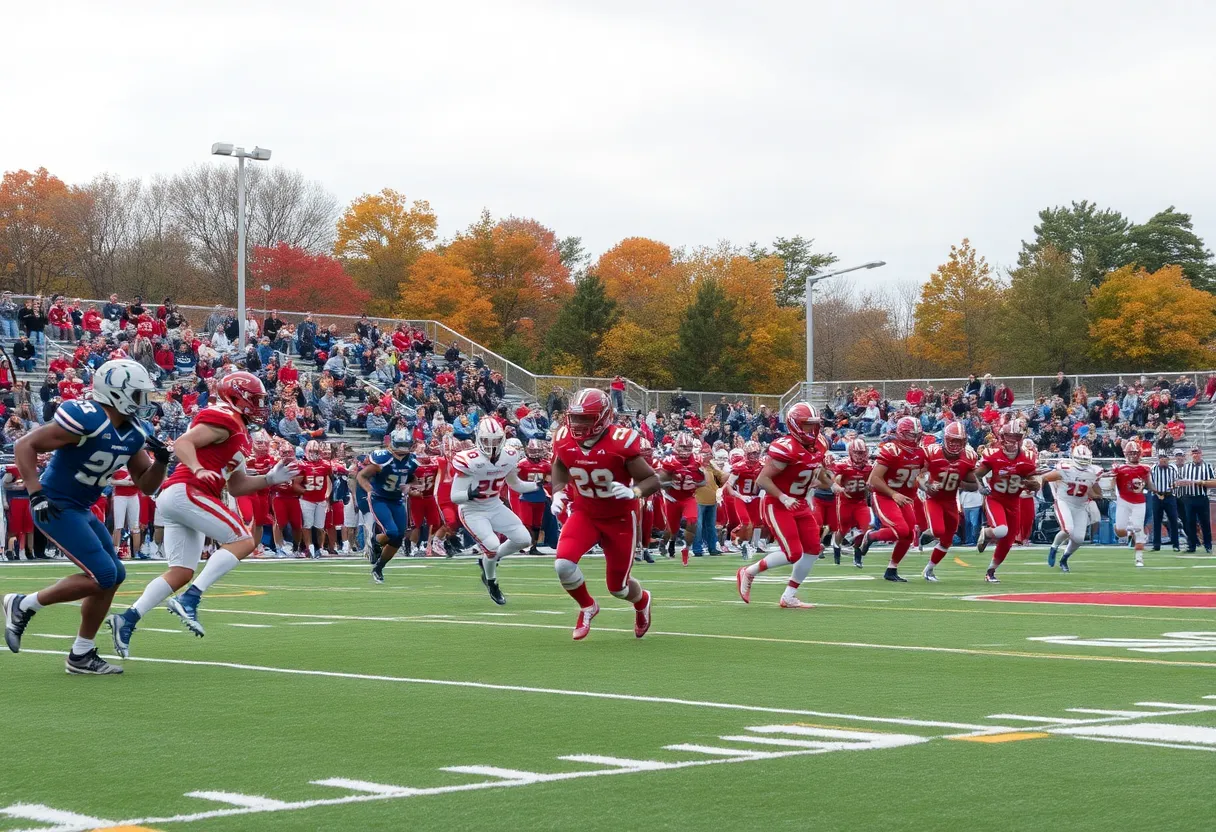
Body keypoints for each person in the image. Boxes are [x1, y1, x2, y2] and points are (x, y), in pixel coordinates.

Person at [107, 371, 297, 657]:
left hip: (180, 497)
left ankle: (128, 619)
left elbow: (236, 486)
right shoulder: (225, 418)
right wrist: (197, 468)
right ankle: (192, 599)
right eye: (255, 400)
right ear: (237, 397)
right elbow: (183, 443)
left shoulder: (240, 432)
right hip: (188, 489)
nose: (260, 406)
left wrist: (269, 479)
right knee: (244, 540)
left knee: (181, 571)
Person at [3, 360, 168, 675]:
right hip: (55, 504)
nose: (143, 400)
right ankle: (22, 604)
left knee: (114, 576)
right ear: (116, 392)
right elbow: (26, 444)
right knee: (104, 575)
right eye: (136, 393)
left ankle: (81, 654)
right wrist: (36, 494)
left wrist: (161, 462)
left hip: (82, 507)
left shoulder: (134, 432)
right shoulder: (86, 417)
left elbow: (146, 483)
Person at [550, 388, 659, 640]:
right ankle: (587, 606)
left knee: (618, 588)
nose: (577, 424)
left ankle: (642, 601)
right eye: (575, 417)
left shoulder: (620, 442)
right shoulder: (563, 437)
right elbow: (559, 463)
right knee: (563, 565)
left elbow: (651, 479)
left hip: (620, 518)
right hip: (585, 512)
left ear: (603, 417)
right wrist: (557, 491)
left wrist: (634, 492)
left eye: (585, 418)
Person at [735, 402, 831, 609]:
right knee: (793, 553)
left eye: (814, 424)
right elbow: (762, 479)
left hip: (800, 503)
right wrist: (784, 497)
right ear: (795, 425)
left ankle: (789, 597)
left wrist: (824, 480)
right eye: (807, 425)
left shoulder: (821, 443)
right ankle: (748, 572)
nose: (812, 429)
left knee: (813, 550)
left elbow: (817, 468)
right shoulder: (786, 447)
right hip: (778, 504)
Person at [449, 419, 539, 605]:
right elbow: (455, 496)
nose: (492, 445)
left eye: (496, 440)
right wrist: (469, 493)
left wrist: (537, 486)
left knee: (524, 539)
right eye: (487, 441)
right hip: (472, 510)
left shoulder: (510, 456)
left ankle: (489, 560)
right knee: (491, 544)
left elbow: (516, 485)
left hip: (494, 505)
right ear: (479, 439)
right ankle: (492, 582)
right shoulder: (468, 460)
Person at [858, 416, 929, 582]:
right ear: (902, 434)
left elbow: (917, 476)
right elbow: (873, 479)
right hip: (885, 495)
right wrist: (893, 494)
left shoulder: (920, 453)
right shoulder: (892, 449)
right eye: (912, 435)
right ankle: (870, 537)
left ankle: (892, 569)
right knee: (901, 529)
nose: (916, 439)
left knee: (908, 534)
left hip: (903, 497)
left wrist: (927, 485)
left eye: (918, 435)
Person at [973, 421, 1040, 583]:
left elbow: (1036, 482)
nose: (1012, 440)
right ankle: (986, 532)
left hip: (1014, 501)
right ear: (1002, 437)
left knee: (1008, 541)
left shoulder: (1028, 457)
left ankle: (991, 571)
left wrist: (1031, 484)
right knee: (1001, 530)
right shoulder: (993, 455)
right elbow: (976, 474)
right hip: (995, 499)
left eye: (1016, 437)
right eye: (1009, 436)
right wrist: (981, 488)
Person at [919, 422, 979, 582]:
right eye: (951, 440)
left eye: (958, 441)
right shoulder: (932, 452)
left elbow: (974, 485)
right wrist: (927, 486)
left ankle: (929, 569)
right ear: (945, 439)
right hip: (934, 498)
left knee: (947, 540)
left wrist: (961, 483)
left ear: (964, 442)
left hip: (951, 500)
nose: (954, 444)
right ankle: (924, 534)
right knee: (938, 531)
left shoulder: (969, 457)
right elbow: (917, 474)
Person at [360, 429, 419, 584]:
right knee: (391, 532)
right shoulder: (384, 459)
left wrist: (409, 486)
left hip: (397, 500)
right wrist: (369, 490)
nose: (403, 448)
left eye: (406, 444)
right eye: (401, 444)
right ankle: (374, 541)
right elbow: (362, 476)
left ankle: (378, 568)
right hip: (380, 499)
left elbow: (413, 478)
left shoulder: (411, 461)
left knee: (398, 537)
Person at [1041, 444, 1101, 572]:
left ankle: (1064, 559)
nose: (1084, 463)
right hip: (1064, 502)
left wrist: (1096, 495)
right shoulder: (1065, 468)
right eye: (1082, 459)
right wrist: (1051, 495)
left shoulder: (1093, 472)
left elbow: (1096, 490)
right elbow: (1046, 478)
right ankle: (1054, 547)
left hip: (1081, 505)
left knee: (1079, 539)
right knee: (1067, 529)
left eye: (1086, 459)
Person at [657, 432, 705, 564]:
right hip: (672, 498)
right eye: (683, 447)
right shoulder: (669, 461)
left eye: (688, 447)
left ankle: (686, 548)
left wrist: (694, 482)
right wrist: (671, 482)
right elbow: (659, 482)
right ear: (677, 446)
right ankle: (665, 542)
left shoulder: (696, 460)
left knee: (692, 520)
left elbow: (703, 481)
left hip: (688, 497)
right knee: (672, 529)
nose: (685, 450)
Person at [1109, 440, 1151, 567]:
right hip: (1123, 500)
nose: (1133, 455)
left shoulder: (1145, 468)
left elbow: (1149, 484)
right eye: (1131, 453)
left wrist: (1158, 490)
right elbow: (1111, 485)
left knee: (1139, 532)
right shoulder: (1120, 469)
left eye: (1135, 452)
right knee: (1120, 531)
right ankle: (1129, 530)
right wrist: (1112, 476)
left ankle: (1139, 559)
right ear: (1126, 453)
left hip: (1139, 501)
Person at [832, 437, 873, 567]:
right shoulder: (843, 465)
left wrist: (869, 490)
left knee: (866, 528)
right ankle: (836, 546)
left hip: (860, 502)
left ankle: (857, 555)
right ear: (851, 452)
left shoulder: (869, 467)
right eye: (857, 453)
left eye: (862, 453)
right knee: (843, 529)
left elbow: (871, 483)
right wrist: (838, 486)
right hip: (845, 501)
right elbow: (834, 480)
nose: (860, 456)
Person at [295, 439, 334, 558]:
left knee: (320, 526)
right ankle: (309, 547)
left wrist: (327, 495)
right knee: (307, 525)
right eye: (311, 451)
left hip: (321, 499)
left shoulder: (326, 465)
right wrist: (305, 492)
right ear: (306, 451)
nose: (313, 453)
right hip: (307, 500)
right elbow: (296, 484)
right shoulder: (302, 464)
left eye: (316, 451)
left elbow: (329, 481)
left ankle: (320, 547)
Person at [726, 441, 764, 558]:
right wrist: (740, 496)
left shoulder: (762, 465)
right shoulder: (739, 466)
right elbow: (729, 485)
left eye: (757, 453)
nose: (755, 456)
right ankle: (735, 539)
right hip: (742, 497)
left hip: (755, 497)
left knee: (758, 523)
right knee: (746, 523)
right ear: (747, 453)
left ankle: (755, 544)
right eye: (753, 453)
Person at [516, 439, 552, 555]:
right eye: (533, 450)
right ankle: (526, 545)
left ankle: (533, 547)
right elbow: (515, 479)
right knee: (526, 523)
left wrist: (546, 481)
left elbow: (551, 479)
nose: (536, 453)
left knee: (537, 524)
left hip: (539, 496)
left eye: (537, 450)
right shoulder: (522, 464)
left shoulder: (546, 464)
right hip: (526, 496)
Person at [1177, 446, 1215, 553]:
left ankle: (1208, 545)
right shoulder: (1185, 467)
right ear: (1190, 454)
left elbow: (1213, 482)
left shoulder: (1207, 466)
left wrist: (1200, 482)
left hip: (1202, 497)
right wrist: (1181, 483)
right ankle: (1191, 545)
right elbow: (1179, 481)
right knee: (1190, 522)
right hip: (1188, 498)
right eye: (1193, 453)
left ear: (1201, 453)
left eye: (1197, 453)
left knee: (1205, 522)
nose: (1195, 455)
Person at [406, 442, 441, 557]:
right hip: (416, 498)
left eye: (425, 450)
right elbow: (403, 482)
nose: (424, 453)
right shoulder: (411, 464)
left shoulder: (435, 463)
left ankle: (429, 545)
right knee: (416, 524)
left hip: (429, 496)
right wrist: (411, 491)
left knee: (435, 522)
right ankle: (412, 547)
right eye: (420, 450)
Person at [1147, 450, 1181, 552]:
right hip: (1157, 496)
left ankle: (1176, 544)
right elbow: (1150, 483)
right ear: (1158, 460)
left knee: (1173, 520)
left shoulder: (1173, 468)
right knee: (1157, 521)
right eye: (1161, 458)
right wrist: (1157, 493)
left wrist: (1170, 488)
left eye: (1165, 459)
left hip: (1169, 496)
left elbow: (1177, 482)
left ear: (1168, 459)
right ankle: (1156, 544)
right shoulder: (1153, 469)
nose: (1164, 460)